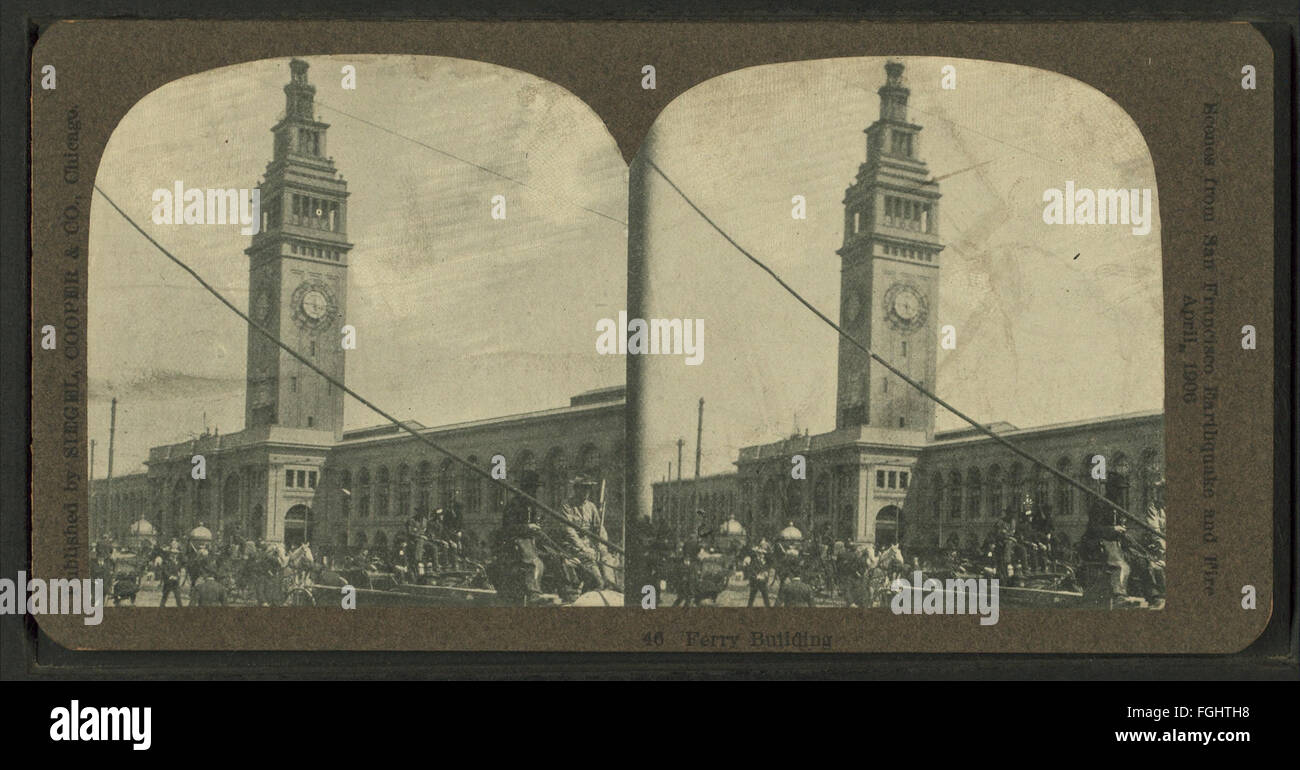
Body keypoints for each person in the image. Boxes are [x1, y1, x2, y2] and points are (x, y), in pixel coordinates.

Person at [488, 470, 545, 605]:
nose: (534, 491)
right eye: (532, 488)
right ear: (525, 488)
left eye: (535, 488)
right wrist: (527, 527)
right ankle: (533, 592)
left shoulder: (532, 505)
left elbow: (536, 522)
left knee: (554, 556)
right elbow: (508, 528)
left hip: (531, 540)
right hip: (515, 540)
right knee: (532, 562)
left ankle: (569, 592)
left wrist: (537, 527)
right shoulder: (514, 505)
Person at [556, 475, 607, 593]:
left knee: (608, 563)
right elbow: (569, 531)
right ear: (576, 489)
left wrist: (602, 546)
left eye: (588, 488)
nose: (586, 492)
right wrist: (584, 548)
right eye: (583, 488)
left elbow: (600, 528)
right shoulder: (567, 506)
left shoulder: (591, 507)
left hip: (589, 546)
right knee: (598, 581)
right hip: (571, 546)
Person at [742, 538, 773, 607]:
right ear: (757, 553)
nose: (761, 555)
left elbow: (768, 569)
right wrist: (756, 575)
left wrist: (765, 575)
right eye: (759, 553)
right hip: (755, 581)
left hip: (763, 582)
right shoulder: (754, 561)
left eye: (763, 553)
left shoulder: (766, 562)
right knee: (751, 598)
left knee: (766, 598)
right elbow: (751, 569)